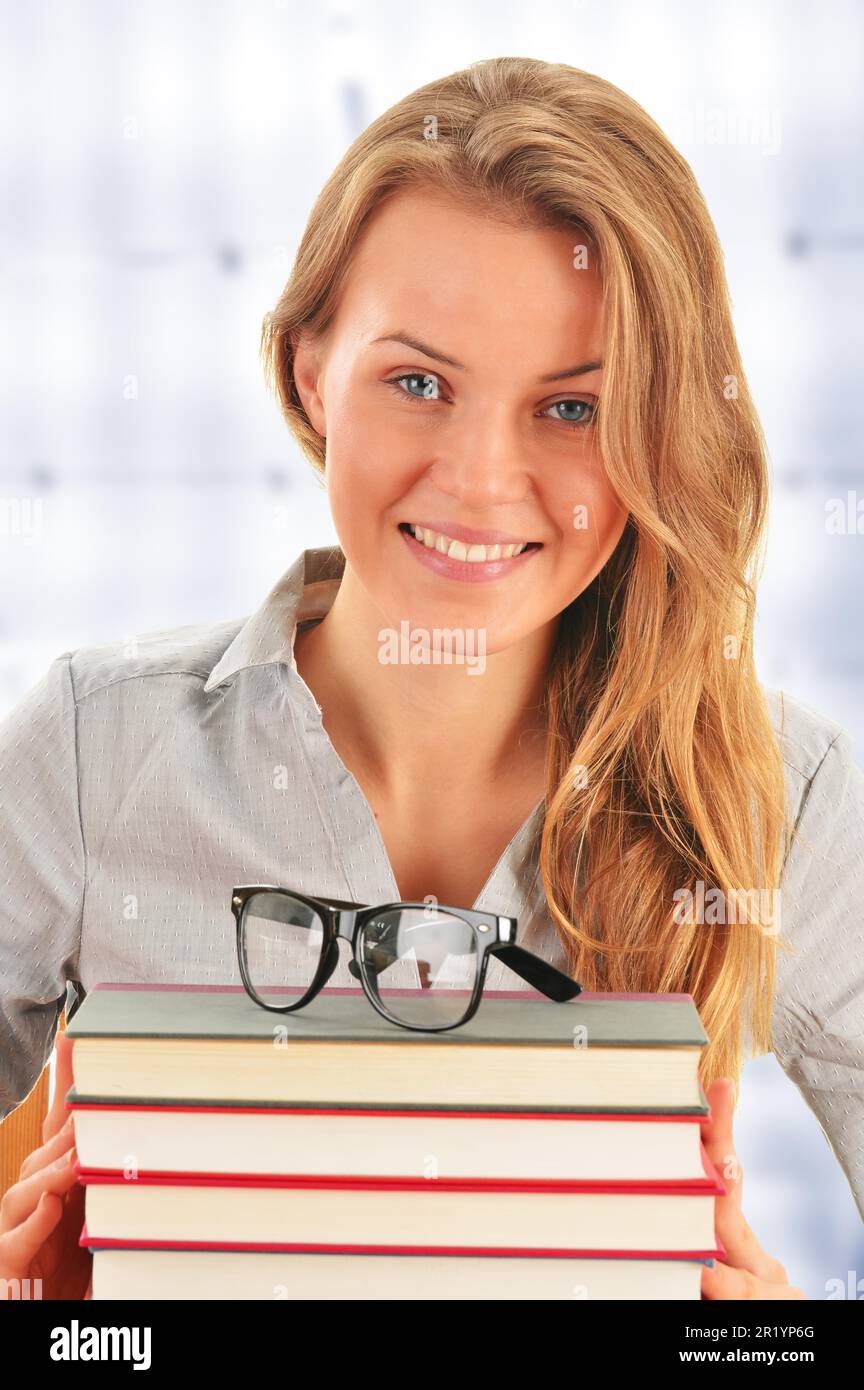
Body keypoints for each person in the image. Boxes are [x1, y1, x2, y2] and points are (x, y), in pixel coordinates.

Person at [3, 56, 861, 1299]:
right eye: (419, 382)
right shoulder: (94, 750)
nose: (478, 482)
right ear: (310, 369)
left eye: (572, 410)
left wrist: (772, 1337)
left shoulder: (785, 800)